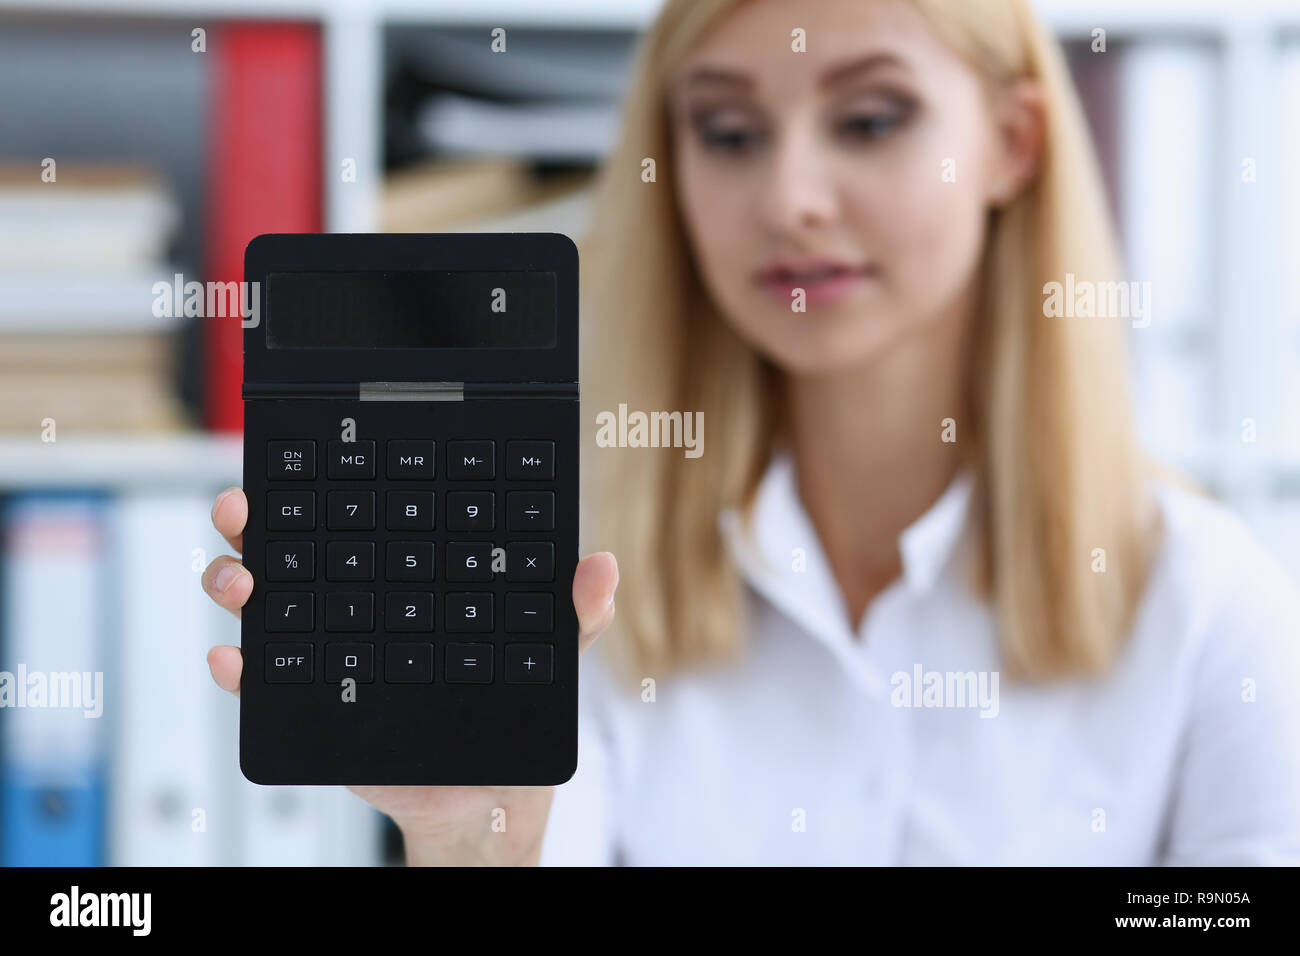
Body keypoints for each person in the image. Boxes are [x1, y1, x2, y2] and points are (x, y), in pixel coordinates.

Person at [201, 0, 1300, 865]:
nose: (789, 198)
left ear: (1012, 145)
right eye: (727, 132)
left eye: (869, 119)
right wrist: (465, 835)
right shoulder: (572, 582)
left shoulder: (1209, 605)